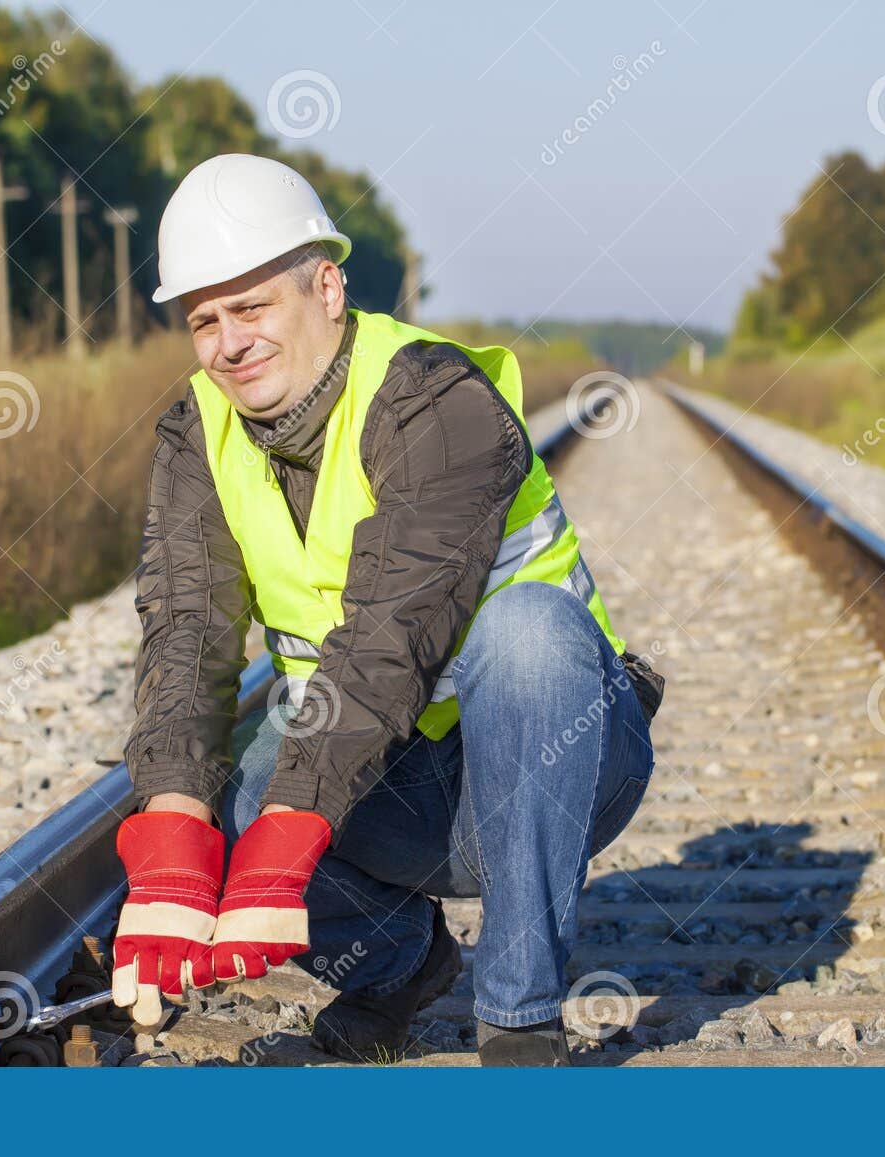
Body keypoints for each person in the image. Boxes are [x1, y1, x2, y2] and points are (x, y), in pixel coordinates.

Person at [113, 153, 665, 1066]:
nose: (228, 343)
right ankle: (401, 965)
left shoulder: (440, 402)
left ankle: (520, 1020)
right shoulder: (197, 435)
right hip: (397, 789)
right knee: (236, 782)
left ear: (326, 288)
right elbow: (184, 635)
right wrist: (174, 833)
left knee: (529, 634)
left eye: (252, 308)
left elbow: (387, 634)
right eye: (203, 320)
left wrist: (292, 835)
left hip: (559, 762)